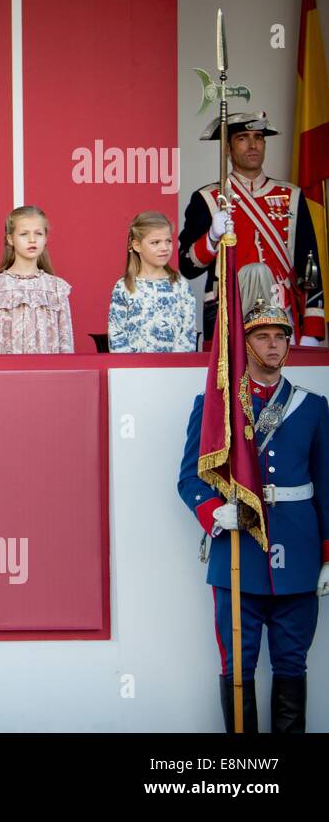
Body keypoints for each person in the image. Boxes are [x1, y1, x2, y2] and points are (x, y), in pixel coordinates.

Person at [177, 263, 329, 733]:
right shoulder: (216, 406)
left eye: (280, 337)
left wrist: (327, 556)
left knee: (291, 665)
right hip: (238, 555)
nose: (273, 345)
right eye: (262, 336)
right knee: (237, 671)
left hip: (299, 556)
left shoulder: (314, 407)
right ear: (244, 343)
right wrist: (213, 511)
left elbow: (325, 487)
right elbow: (189, 478)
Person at [178, 111, 324, 346]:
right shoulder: (208, 197)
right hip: (227, 313)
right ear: (227, 148)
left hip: (282, 311)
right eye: (243, 138)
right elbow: (188, 266)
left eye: (258, 137)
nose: (253, 145)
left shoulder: (291, 195)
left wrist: (313, 329)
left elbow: (310, 264)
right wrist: (211, 239)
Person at [0, 205, 74, 354]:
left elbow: (66, 344)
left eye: (39, 233)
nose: (32, 239)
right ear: (10, 239)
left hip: (50, 375)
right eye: (24, 234)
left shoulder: (57, 288)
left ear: (46, 238)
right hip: (7, 374)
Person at [108, 210, 198, 353]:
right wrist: (131, 370)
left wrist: (174, 366)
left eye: (168, 241)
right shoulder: (124, 287)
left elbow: (188, 334)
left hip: (174, 372)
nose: (164, 247)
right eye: (155, 242)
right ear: (137, 246)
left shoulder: (181, 285)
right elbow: (117, 335)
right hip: (133, 373)